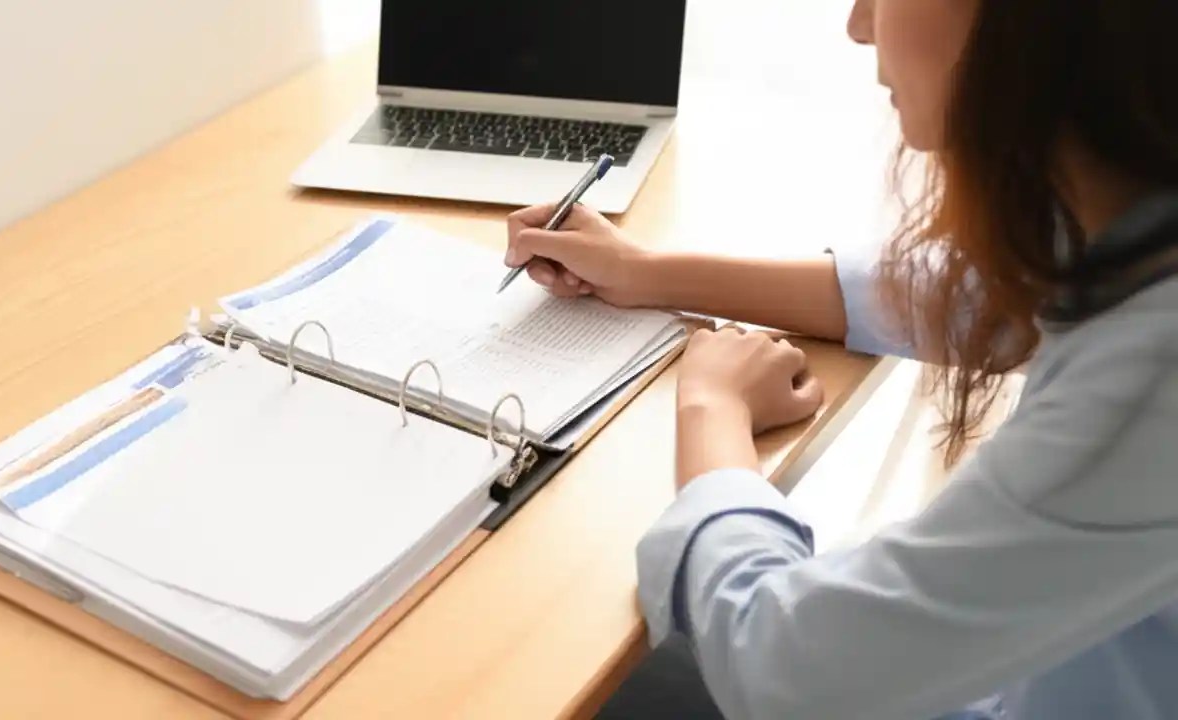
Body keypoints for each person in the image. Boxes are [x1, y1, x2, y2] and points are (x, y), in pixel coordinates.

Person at [502, 0, 1178, 718]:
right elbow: (981, 292)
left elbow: (780, 667)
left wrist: (713, 412)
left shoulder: (1152, 373)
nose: (859, 23)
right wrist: (648, 273)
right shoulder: (1131, 217)